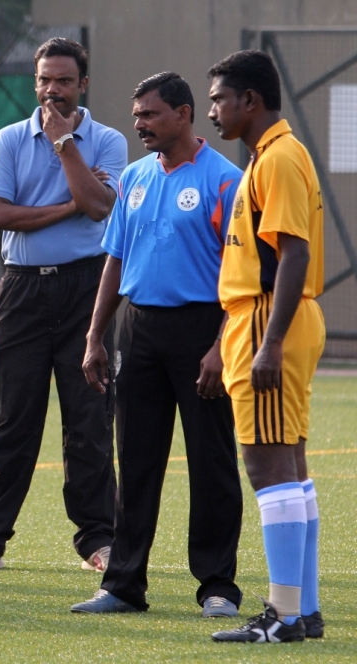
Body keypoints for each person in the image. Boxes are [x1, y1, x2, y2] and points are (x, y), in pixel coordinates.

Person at [0, 38, 126, 573]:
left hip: (88, 290)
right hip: (21, 289)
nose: (52, 90)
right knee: (11, 417)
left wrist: (66, 146)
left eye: (64, 81)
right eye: (45, 80)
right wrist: (70, 203)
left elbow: (100, 208)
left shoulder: (109, 141)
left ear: (83, 85)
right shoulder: (7, 139)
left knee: (89, 418)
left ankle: (99, 539)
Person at [69, 72, 243, 617]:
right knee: (137, 458)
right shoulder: (137, 177)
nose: (139, 124)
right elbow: (115, 259)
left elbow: (245, 274)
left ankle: (217, 585)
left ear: (184, 114)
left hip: (202, 330)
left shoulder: (225, 180)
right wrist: (96, 335)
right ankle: (124, 584)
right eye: (137, 113)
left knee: (211, 460)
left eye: (150, 114)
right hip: (137, 330)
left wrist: (220, 346)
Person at [206, 50, 325, 644]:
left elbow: (294, 253)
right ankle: (304, 608)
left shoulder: (277, 158)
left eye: (219, 99)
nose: (212, 111)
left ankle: (282, 615)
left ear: (250, 100)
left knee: (267, 463)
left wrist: (269, 343)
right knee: (292, 466)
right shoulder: (271, 156)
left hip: (266, 319)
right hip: (269, 319)